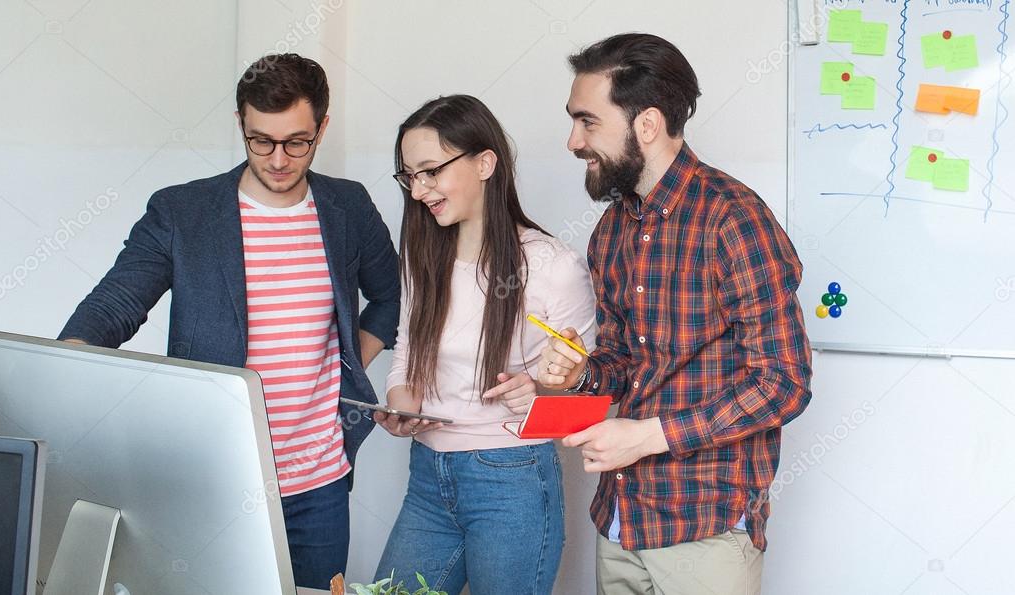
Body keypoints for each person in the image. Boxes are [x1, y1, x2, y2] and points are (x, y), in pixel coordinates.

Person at [57, 53, 400, 589]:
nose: (279, 159)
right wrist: (67, 364)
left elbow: (391, 298)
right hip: (213, 480)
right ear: (241, 124)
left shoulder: (348, 206)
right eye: (261, 140)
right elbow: (114, 306)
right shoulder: (181, 212)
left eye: (297, 142)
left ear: (322, 128)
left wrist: (347, 359)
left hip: (321, 482)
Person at [538, 33, 813, 594]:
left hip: (705, 528)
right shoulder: (611, 230)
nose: (572, 141)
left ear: (647, 124)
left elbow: (785, 383)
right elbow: (623, 361)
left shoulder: (734, 220)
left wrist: (650, 436)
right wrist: (580, 374)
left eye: (587, 121)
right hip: (620, 517)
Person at [371, 94, 597, 595]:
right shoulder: (422, 255)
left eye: (431, 170)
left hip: (510, 481)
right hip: (428, 475)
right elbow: (407, 351)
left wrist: (541, 393)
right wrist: (402, 404)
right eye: (410, 176)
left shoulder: (550, 267)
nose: (419, 189)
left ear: (485, 163)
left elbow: (587, 410)